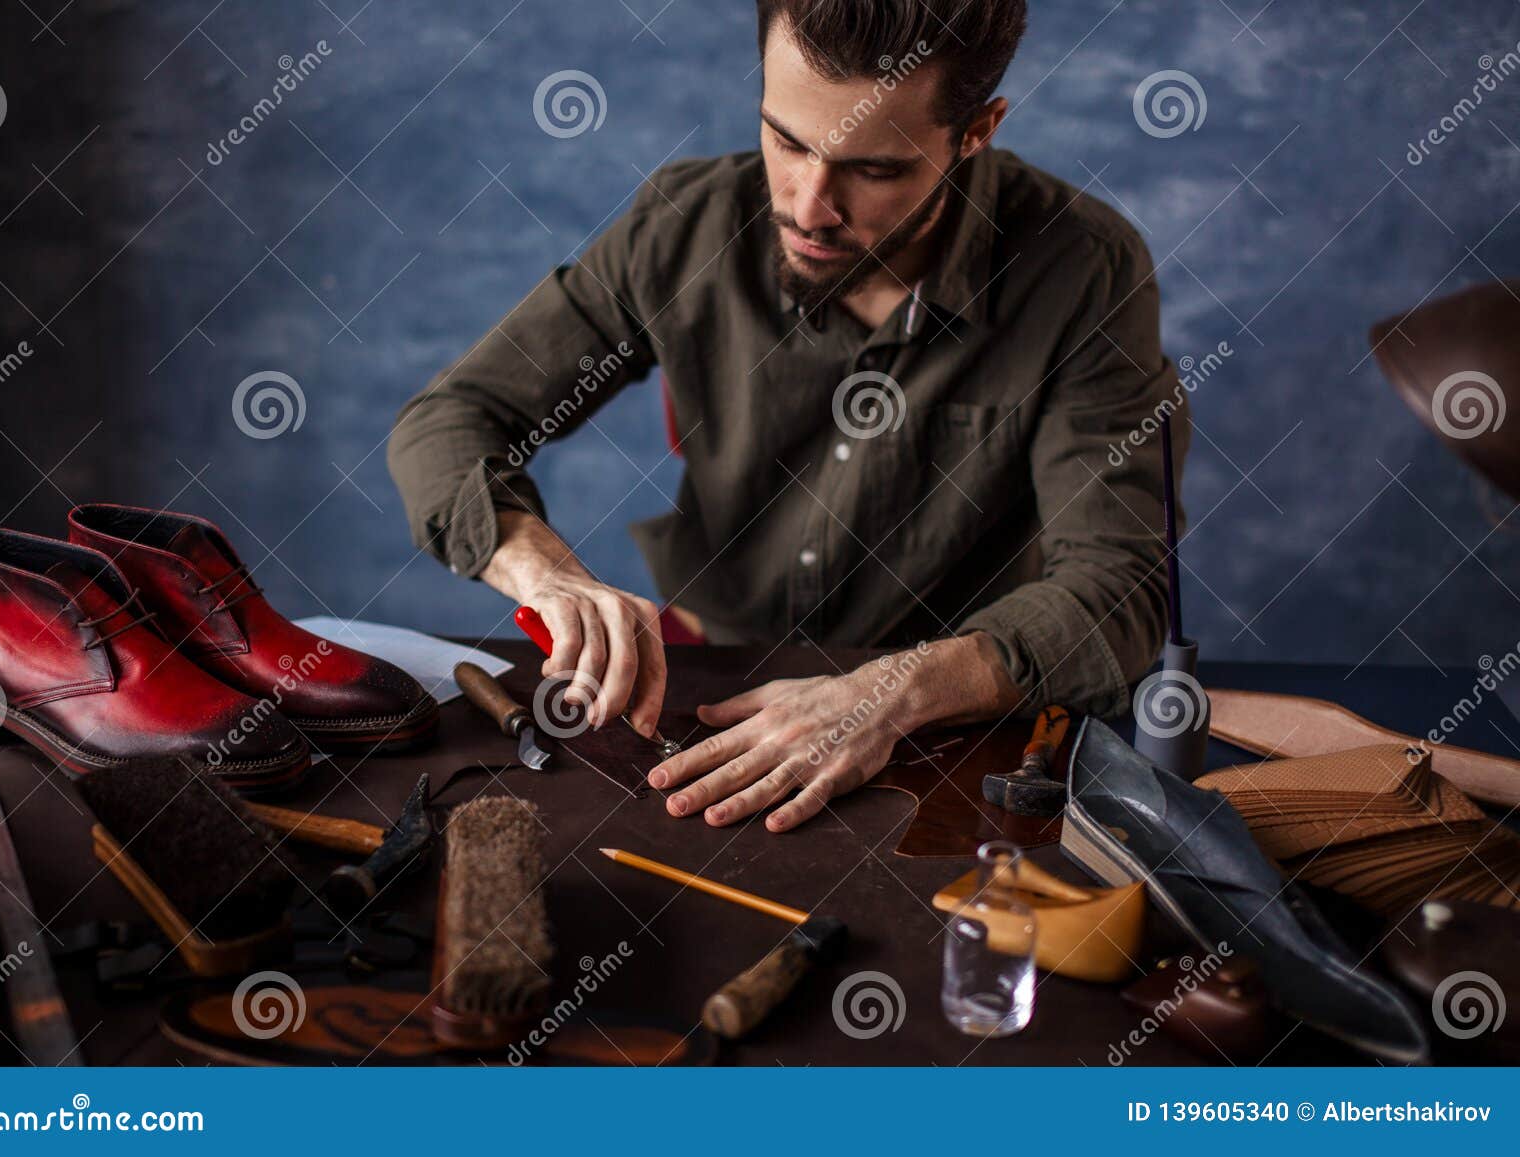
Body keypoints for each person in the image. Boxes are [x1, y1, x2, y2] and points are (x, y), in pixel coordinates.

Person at [388, 0, 1185, 834]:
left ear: (975, 131)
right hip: (708, 678)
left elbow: (1121, 589)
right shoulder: (683, 228)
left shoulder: (1084, 269)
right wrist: (542, 571)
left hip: (948, 729)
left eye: (873, 170)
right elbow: (452, 419)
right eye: (787, 141)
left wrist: (892, 693)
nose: (809, 207)